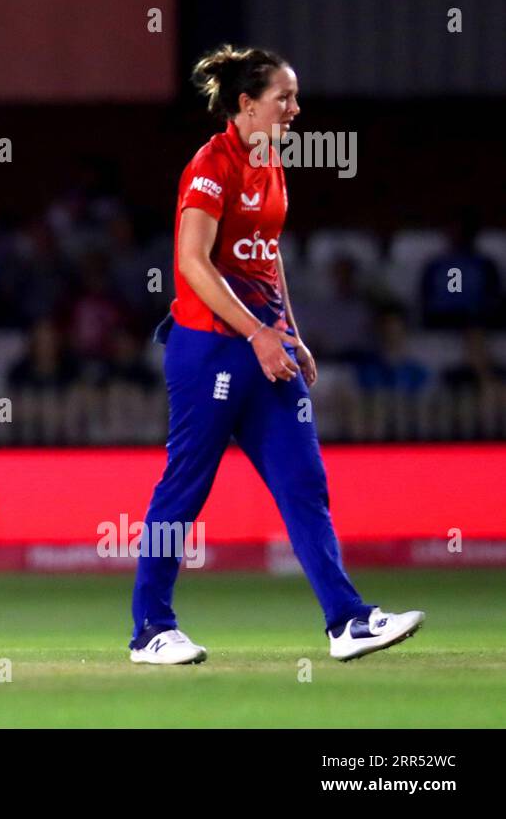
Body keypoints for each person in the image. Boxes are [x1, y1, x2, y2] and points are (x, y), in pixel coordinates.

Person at [130, 45, 424, 665]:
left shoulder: (270, 161)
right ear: (245, 106)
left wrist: (289, 330)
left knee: (304, 482)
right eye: (282, 98)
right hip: (210, 349)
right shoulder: (212, 165)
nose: (296, 108)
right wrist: (259, 334)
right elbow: (191, 262)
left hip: (265, 350)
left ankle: (347, 621)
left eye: (293, 96)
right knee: (185, 488)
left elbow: (268, 252)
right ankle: (151, 628)